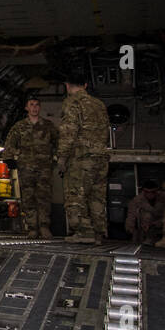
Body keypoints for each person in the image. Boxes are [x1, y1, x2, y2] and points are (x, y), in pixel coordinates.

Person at [56, 74, 110, 245]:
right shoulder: (99, 104)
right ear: (85, 85)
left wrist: (62, 158)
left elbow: (68, 133)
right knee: (97, 196)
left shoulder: (72, 102)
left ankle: (83, 231)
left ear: (67, 85)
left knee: (76, 194)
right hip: (101, 157)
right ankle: (98, 233)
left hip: (82, 157)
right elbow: (105, 131)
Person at [4, 96, 59, 237]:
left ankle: (44, 226)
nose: (34, 108)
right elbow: (10, 144)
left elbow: (58, 143)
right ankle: (32, 227)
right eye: (31, 105)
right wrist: (9, 159)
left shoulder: (48, 126)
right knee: (28, 197)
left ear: (40, 108)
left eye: (37, 105)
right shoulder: (19, 127)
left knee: (44, 197)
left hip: (44, 168)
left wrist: (57, 158)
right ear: (27, 108)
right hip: (26, 167)